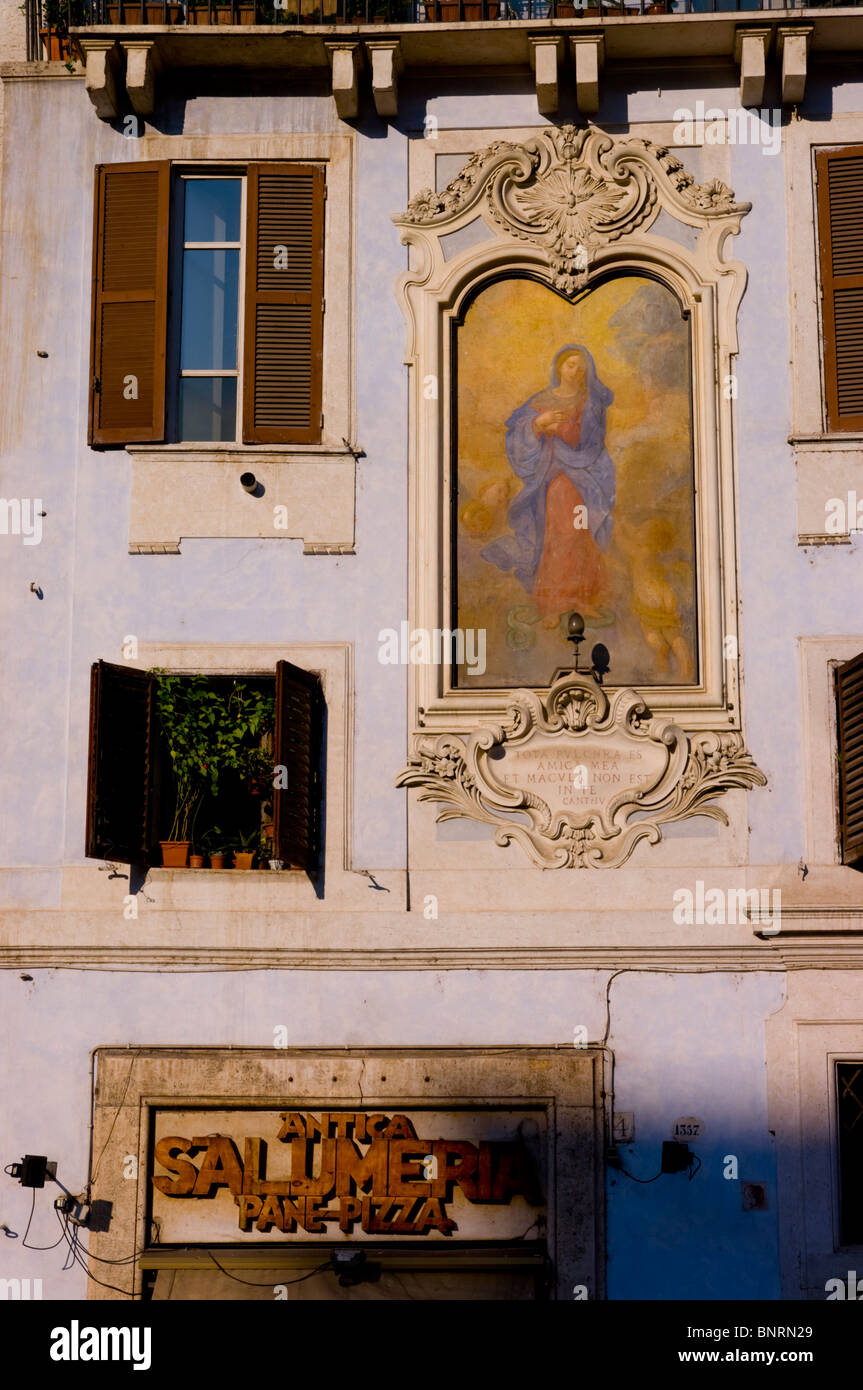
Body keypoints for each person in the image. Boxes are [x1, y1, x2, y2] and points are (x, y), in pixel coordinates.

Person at [481, 345, 615, 626]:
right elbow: (518, 430)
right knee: (560, 534)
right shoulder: (542, 399)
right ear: (558, 368)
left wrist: (563, 429)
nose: (575, 370)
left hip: (585, 476)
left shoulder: (590, 401)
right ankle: (554, 603)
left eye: (581, 366)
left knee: (581, 533)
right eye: (570, 364)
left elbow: (588, 442)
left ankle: (583, 599)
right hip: (554, 477)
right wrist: (538, 424)